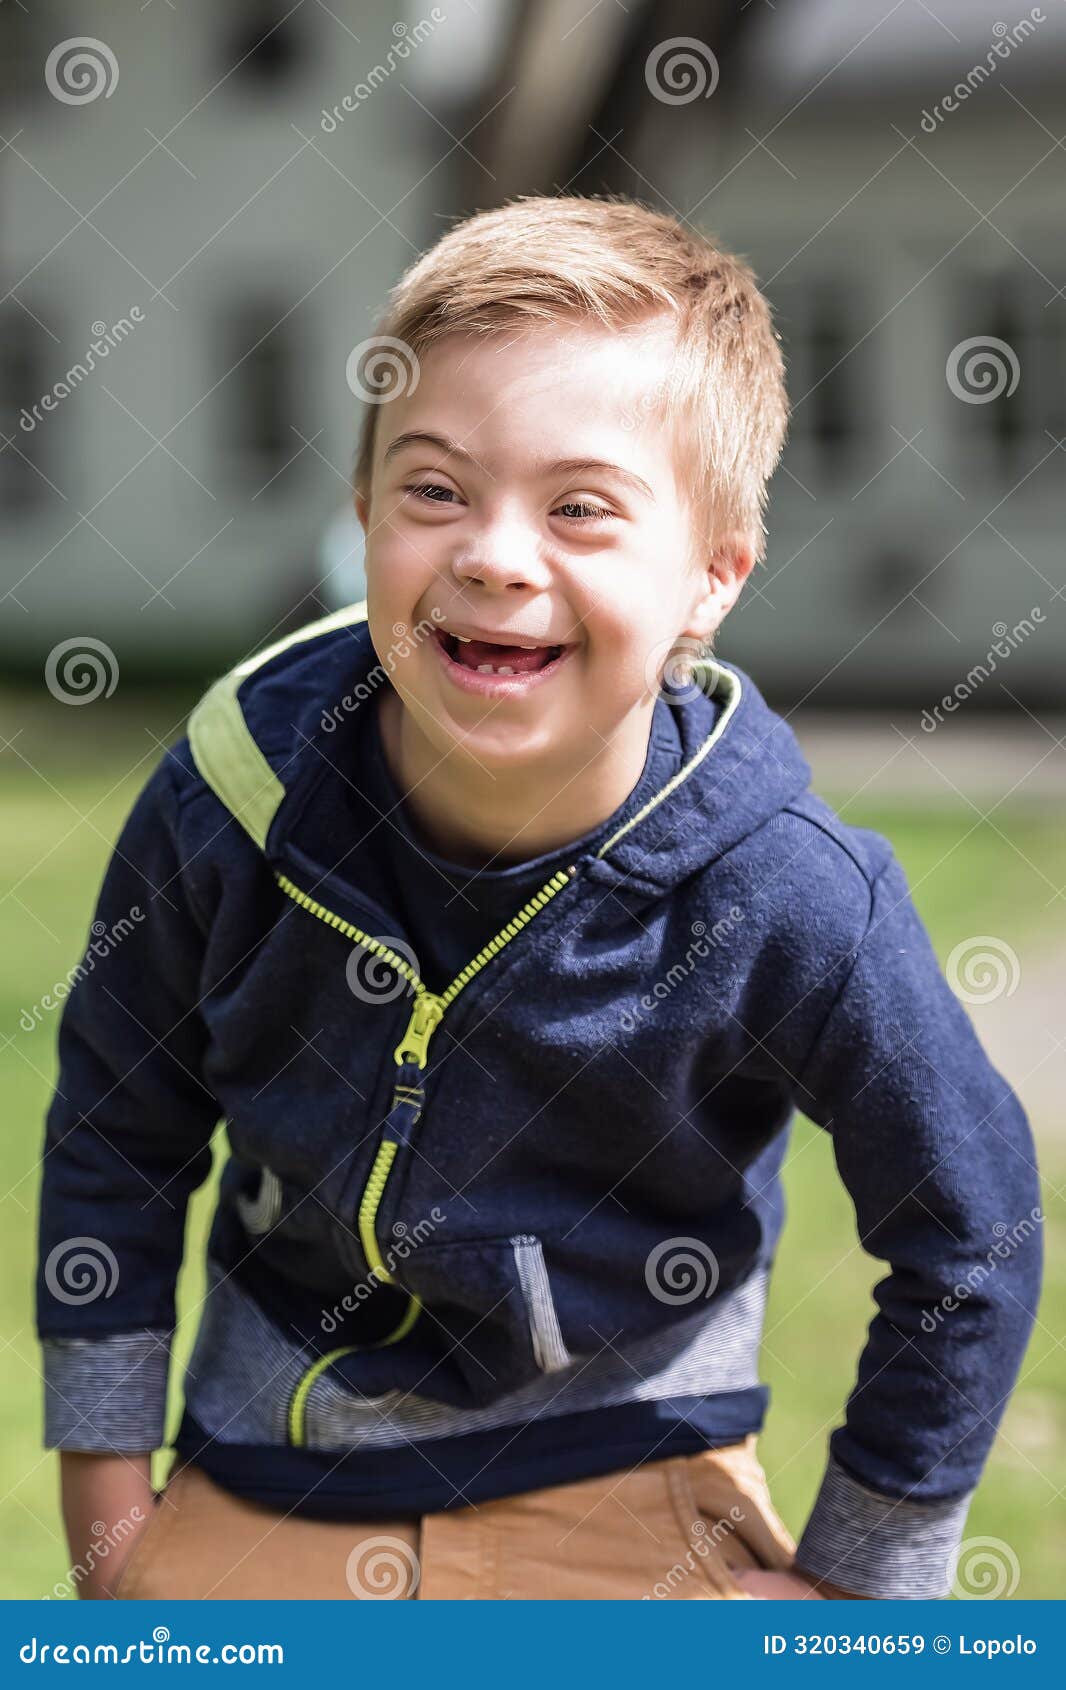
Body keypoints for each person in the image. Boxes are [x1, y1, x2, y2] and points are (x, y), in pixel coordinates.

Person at [37, 195, 1043, 1601]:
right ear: (364, 518)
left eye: (579, 506)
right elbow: (115, 1128)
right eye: (436, 489)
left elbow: (969, 1232)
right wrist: (106, 1521)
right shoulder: (233, 794)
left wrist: (866, 1596)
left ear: (712, 576)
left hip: (630, 1465)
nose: (495, 554)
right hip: (272, 1467)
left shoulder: (788, 894)